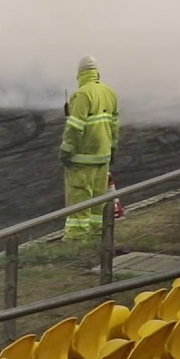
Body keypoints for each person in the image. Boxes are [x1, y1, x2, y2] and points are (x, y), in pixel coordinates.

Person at [60, 55, 120, 241]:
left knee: (79, 198)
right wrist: (112, 150)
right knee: (98, 199)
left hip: (82, 159)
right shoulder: (109, 92)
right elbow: (114, 126)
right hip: (103, 156)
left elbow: (75, 126)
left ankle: (76, 239)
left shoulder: (83, 94)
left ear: (80, 74)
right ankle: (96, 235)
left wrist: (66, 150)